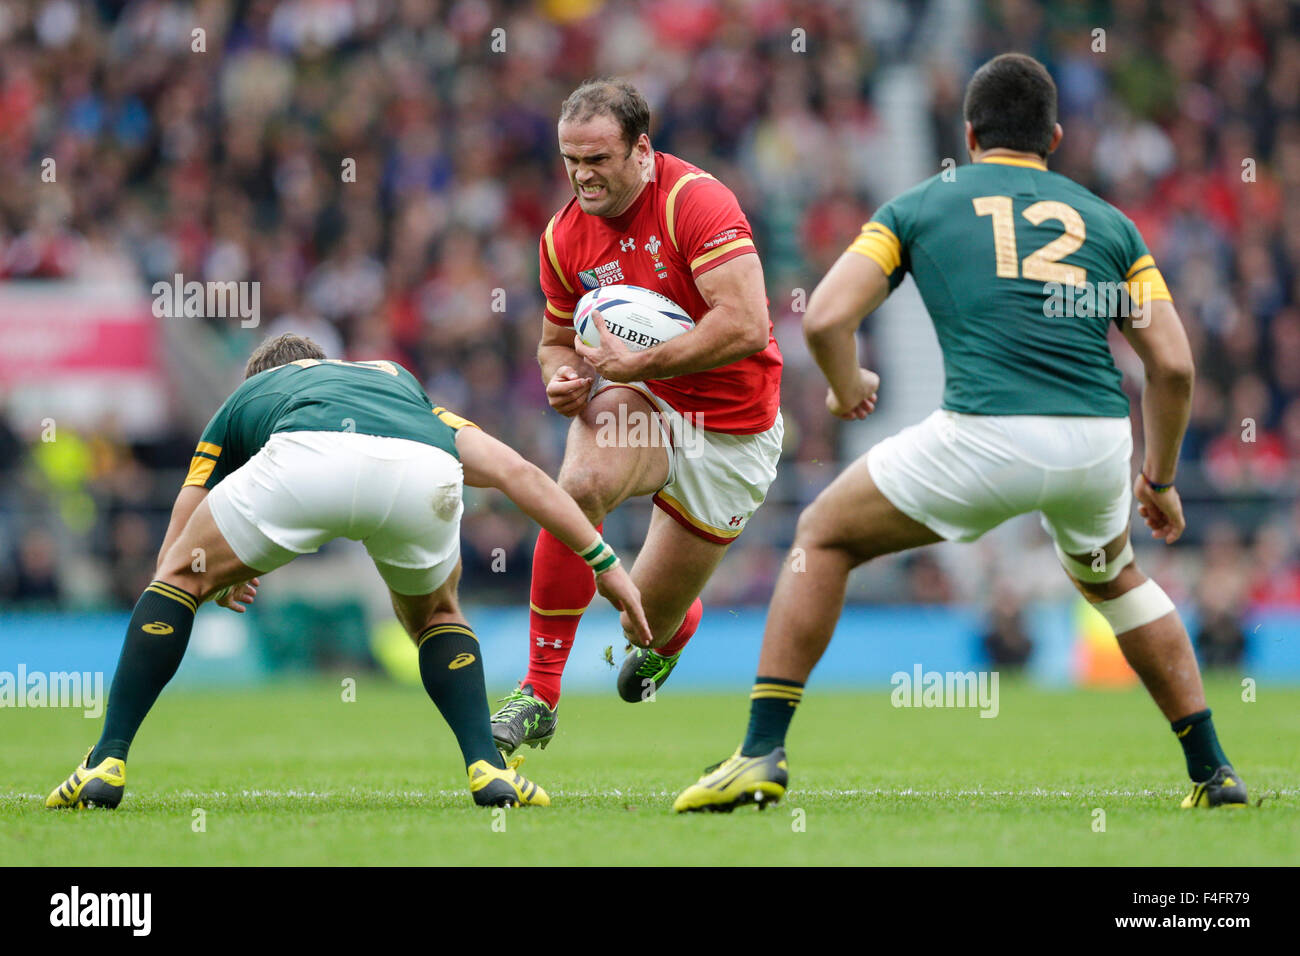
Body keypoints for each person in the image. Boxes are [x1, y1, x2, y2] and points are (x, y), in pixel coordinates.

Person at [674, 53, 1247, 812]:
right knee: (1115, 581)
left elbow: (826, 315)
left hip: (986, 432)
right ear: (1057, 136)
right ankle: (1214, 773)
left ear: (970, 135)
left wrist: (850, 389)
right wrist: (1160, 479)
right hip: (1098, 440)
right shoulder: (1110, 223)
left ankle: (759, 752)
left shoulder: (921, 205)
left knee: (823, 536)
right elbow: (1172, 367)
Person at [45, 333, 651, 811]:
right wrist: (604, 563)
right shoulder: (394, 382)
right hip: (420, 471)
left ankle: (107, 759)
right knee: (439, 613)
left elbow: (186, 511)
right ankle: (487, 768)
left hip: (305, 463)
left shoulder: (250, 396)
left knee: (176, 579)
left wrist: (189, 579)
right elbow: (520, 474)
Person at [490, 78, 784, 753]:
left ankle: (673, 631)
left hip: (732, 431)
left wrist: (640, 364)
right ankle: (539, 692)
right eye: (571, 160)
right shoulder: (564, 236)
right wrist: (561, 380)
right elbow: (555, 343)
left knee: (642, 623)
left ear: (642, 148)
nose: (582, 176)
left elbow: (746, 325)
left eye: (598, 160)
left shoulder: (694, 203)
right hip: (645, 403)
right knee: (580, 486)